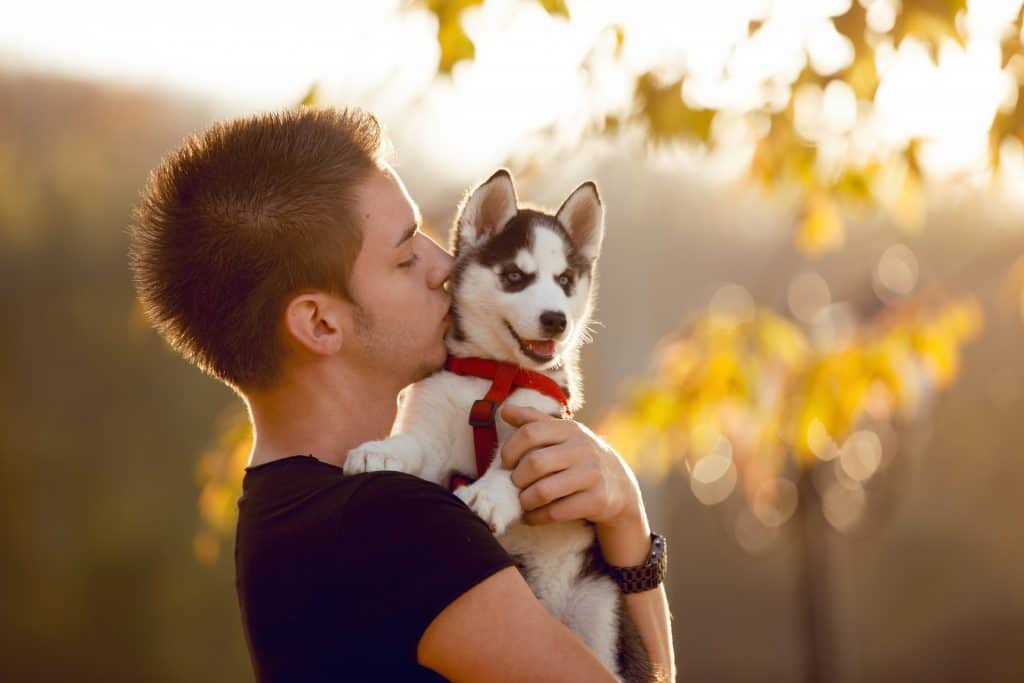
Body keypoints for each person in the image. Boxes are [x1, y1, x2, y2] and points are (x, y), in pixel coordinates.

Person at [128, 106, 675, 682]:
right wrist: (627, 523)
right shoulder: (397, 525)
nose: (447, 266)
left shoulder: (281, 511)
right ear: (319, 324)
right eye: (408, 253)